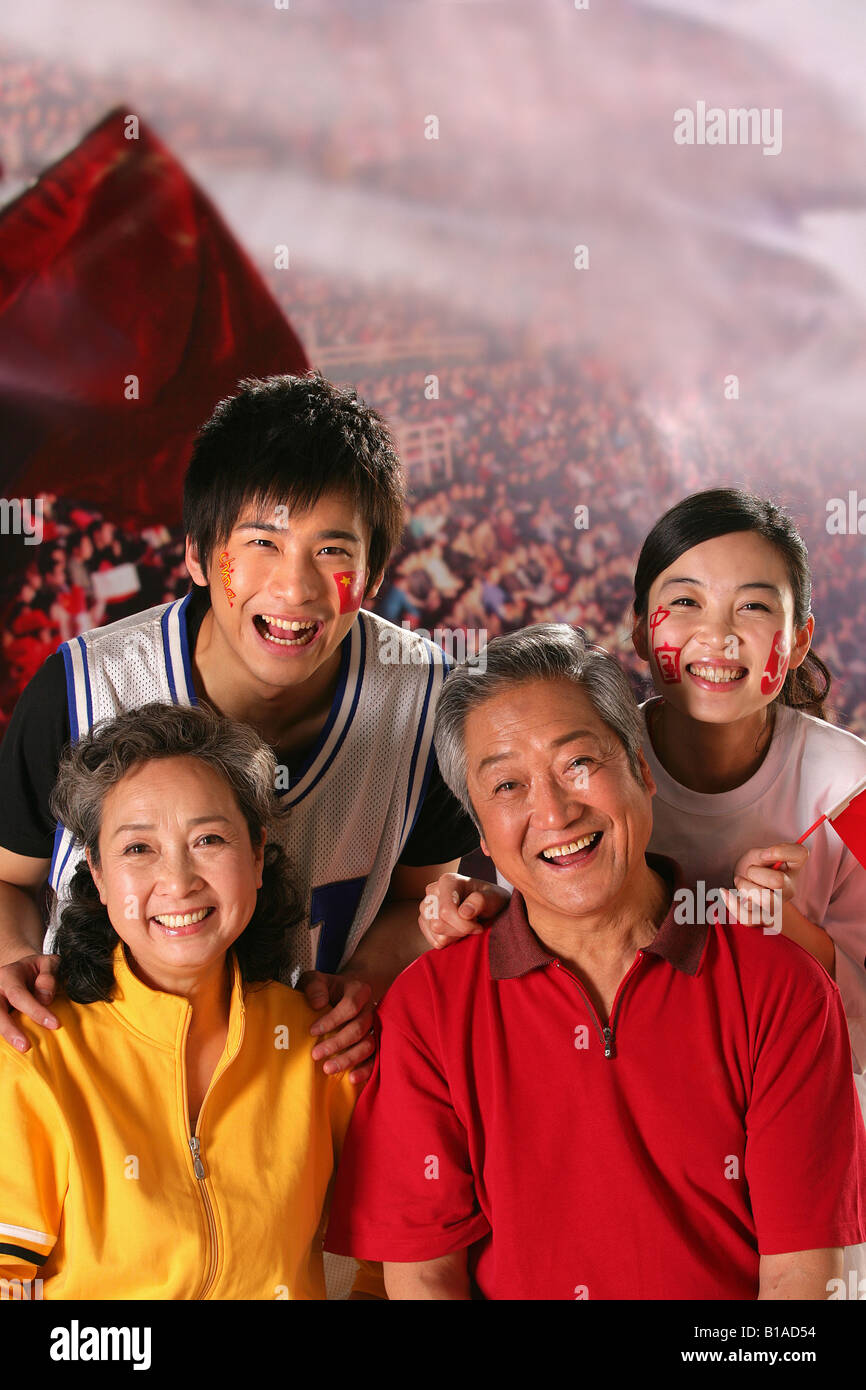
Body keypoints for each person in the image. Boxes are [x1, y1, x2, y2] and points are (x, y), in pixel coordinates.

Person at [325, 625, 866, 1299]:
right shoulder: (429, 1007)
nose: (553, 810)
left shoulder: (780, 987)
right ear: (482, 833)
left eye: (578, 763)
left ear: (641, 772)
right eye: (508, 786)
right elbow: (427, 1280)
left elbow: (801, 1282)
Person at [0, 372, 479, 1088]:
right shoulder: (79, 688)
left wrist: (372, 976)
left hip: (305, 1100)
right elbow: (8, 880)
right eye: (262, 542)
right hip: (98, 1087)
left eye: (333, 550)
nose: (295, 589)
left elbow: (421, 897)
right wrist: (13, 966)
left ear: (374, 570)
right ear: (197, 554)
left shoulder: (428, 701)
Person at [0, 702, 379, 1300]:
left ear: (256, 857)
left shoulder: (325, 1042)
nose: (178, 881)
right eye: (136, 849)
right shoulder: (32, 1048)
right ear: (96, 876)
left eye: (208, 839)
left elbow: (395, 1257)